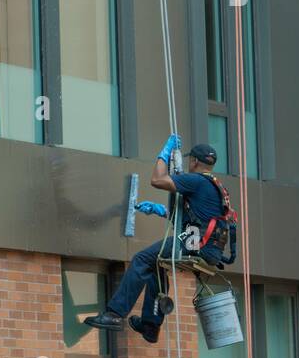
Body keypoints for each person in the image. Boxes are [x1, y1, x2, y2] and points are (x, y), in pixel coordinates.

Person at [85, 137, 229, 344]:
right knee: (156, 264)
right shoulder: (216, 187)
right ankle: (150, 326)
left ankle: (114, 314)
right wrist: (160, 210)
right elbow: (197, 219)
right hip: (208, 248)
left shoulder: (196, 180)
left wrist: (164, 152)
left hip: (196, 245)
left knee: (142, 259)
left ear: (195, 162)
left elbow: (157, 179)